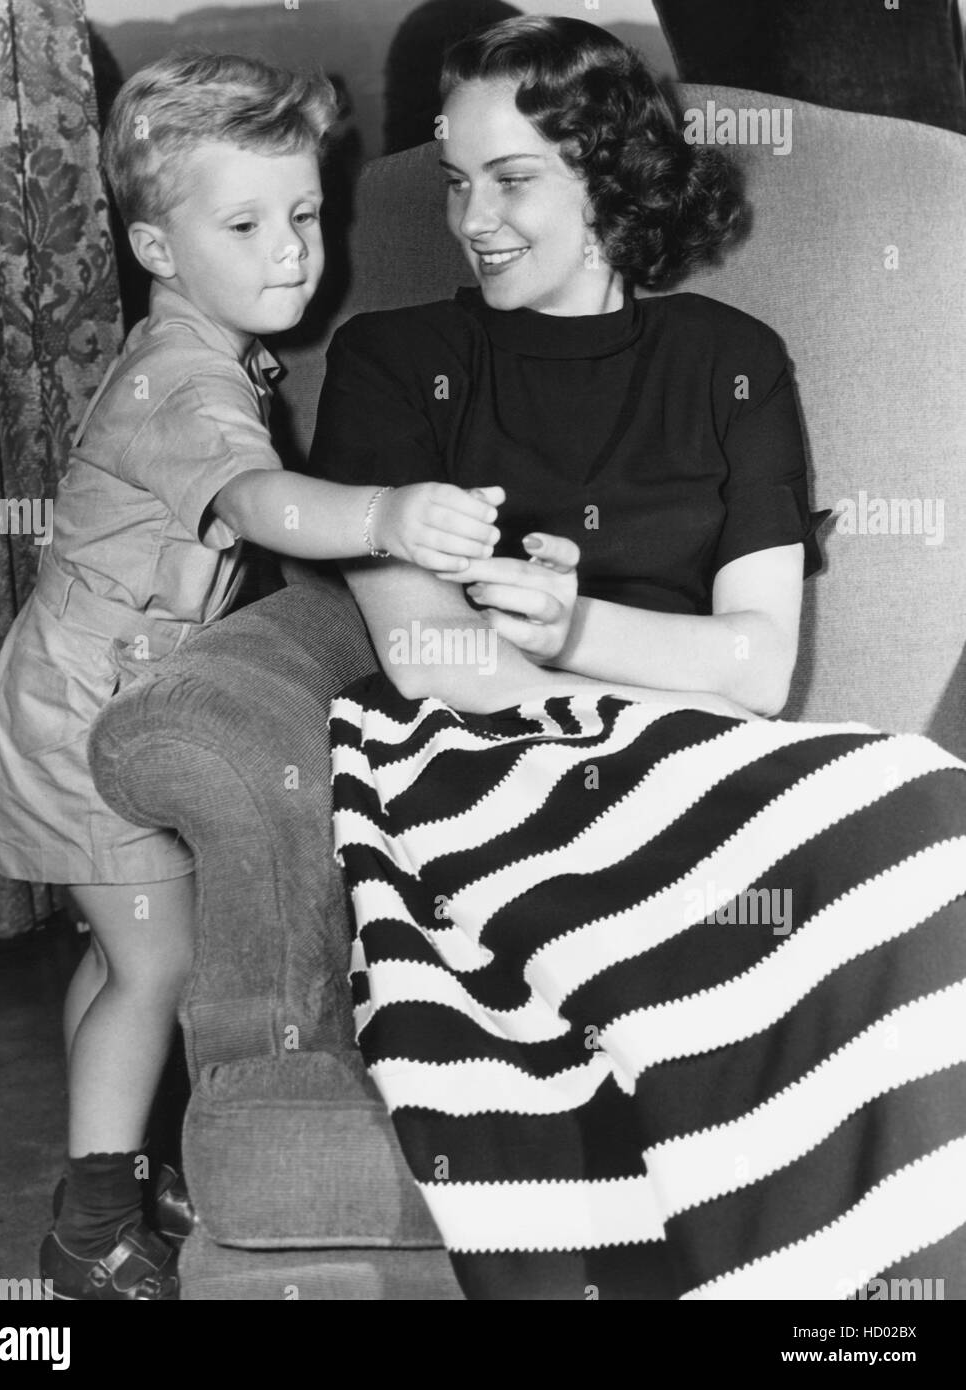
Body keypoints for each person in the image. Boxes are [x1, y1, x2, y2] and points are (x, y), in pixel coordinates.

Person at [309, 16, 966, 1299]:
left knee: (919, 789)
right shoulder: (392, 363)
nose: (471, 221)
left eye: (512, 180)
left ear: (609, 179)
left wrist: (571, 629)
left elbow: (761, 671)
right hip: (472, 769)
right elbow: (433, 656)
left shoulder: (730, 364)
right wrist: (654, 670)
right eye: (456, 182)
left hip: (699, 756)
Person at [0, 52, 503, 1302]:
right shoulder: (189, 380)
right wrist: (389, 513)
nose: (294, 251)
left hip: (71, 701)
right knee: (156, 962)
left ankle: (113, 1165)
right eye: (248, 223)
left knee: (116, 961)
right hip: (80, 721)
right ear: (157, 245)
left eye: (307, 214)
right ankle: (89, 1226)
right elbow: (258, 500)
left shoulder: (208, 349)